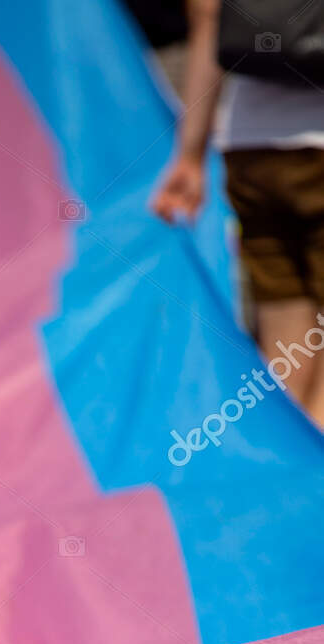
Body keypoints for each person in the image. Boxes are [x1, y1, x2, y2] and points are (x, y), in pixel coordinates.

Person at [154, 0, 324, 427]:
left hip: (251, 148)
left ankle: (286, 460)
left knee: (286, 358)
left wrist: (189, 155)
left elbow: (207, 14)